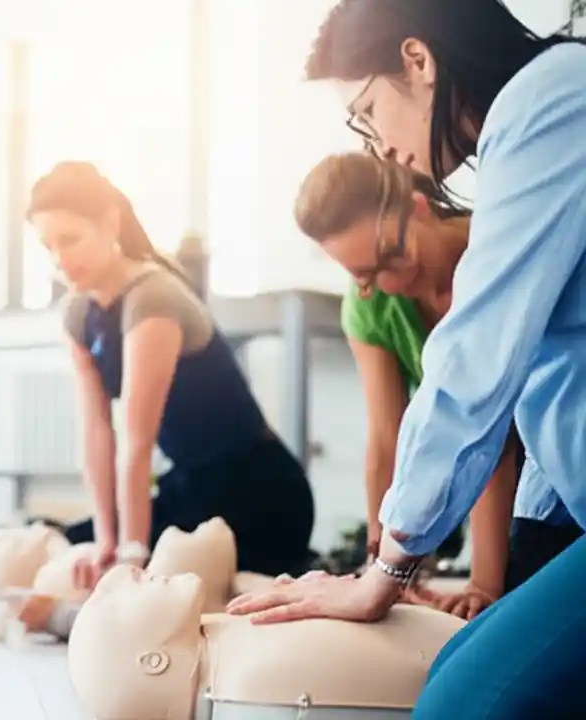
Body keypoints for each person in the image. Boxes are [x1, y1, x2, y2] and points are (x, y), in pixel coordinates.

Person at [226, 2, 586, 715]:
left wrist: (385, 570)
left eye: (367, 111)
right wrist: (524, 554)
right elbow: (559, 381)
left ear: (417, 63)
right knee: (458, 661)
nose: (379, 146)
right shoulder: (542, 113)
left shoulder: (553, 101)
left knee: (462, 702)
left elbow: (477, 362)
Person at [295, 151, 581, 618]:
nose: (390, 281)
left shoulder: (498, 246)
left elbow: (487, 426)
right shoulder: (371, 305)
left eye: (392, 255)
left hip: (552, 452)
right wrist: (382, 568)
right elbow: (388, 437)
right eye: (366, 275)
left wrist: (485, 583)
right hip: (473, 455)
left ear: (418, 207)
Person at [26, 161, 315, 592]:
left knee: (157, 576)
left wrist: (132, 553)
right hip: (188, 489)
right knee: (69, 548)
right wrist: (108, 539)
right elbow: (97, 432)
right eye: (48, 246)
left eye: (70, 240)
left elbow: (136, 441)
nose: (60, 260)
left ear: (110, 223)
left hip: (259, 494)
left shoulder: (152, 297)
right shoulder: (78, 313)